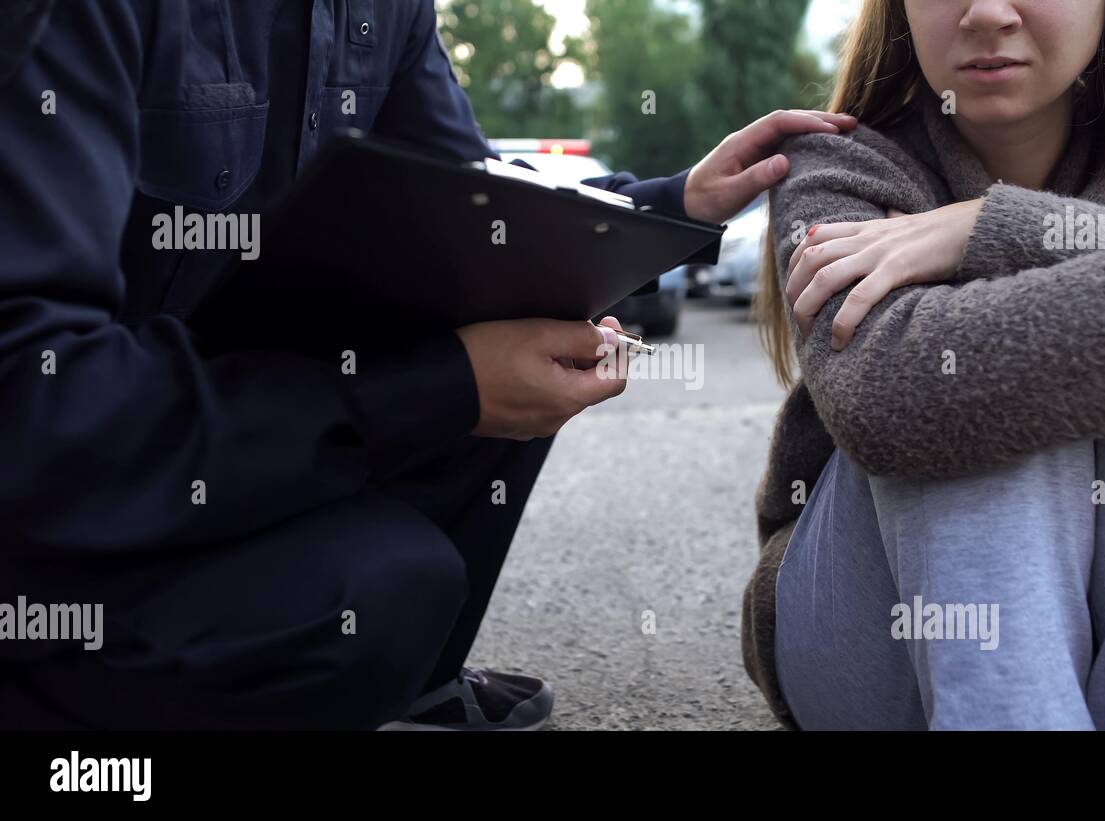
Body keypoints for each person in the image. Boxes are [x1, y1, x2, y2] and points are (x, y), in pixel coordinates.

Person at [0, 0, 857, 730]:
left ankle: (415, 674)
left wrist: (673, 204)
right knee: (380, 592)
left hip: (233, 451)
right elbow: (33, 400)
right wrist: (433, 390)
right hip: (68, 506)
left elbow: (478, 203)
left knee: (534, 297)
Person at [743, 0, 1105, 729]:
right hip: (871, 647)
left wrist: (999, 228)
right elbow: (890, 401)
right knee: (969, 383)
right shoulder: (839, 160)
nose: (985, 12)